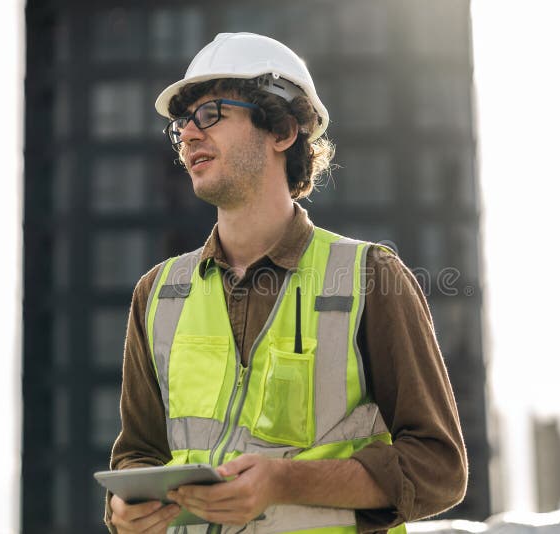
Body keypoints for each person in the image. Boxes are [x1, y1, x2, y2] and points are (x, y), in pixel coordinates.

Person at [105, 32, 468, 534]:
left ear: (282, 130)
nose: (188, 134)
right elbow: (139, 455)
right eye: (182, 124)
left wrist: (283, 482)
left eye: (210, 115)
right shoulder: (158, 293)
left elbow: (439, 470)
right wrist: (127, 510)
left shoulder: (369, 277)